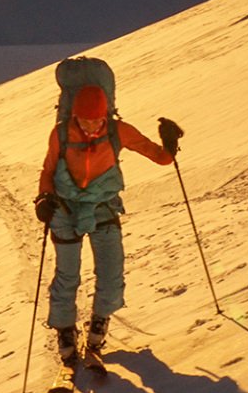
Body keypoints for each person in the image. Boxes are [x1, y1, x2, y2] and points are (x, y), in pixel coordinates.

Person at [33, 84, 180, 367]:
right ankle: (65, 330)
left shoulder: (118, 131)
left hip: (103, 205)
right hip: (65, 207)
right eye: (85, 120)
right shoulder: (61, 133)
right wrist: (44, 198)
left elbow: (160, 157)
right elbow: (48, 170)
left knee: (112, 274)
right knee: (67, 274)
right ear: (75, 116)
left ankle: (99, 322)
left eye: (97, 120)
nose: (91, 126)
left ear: (106, 115)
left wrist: (170, 144)